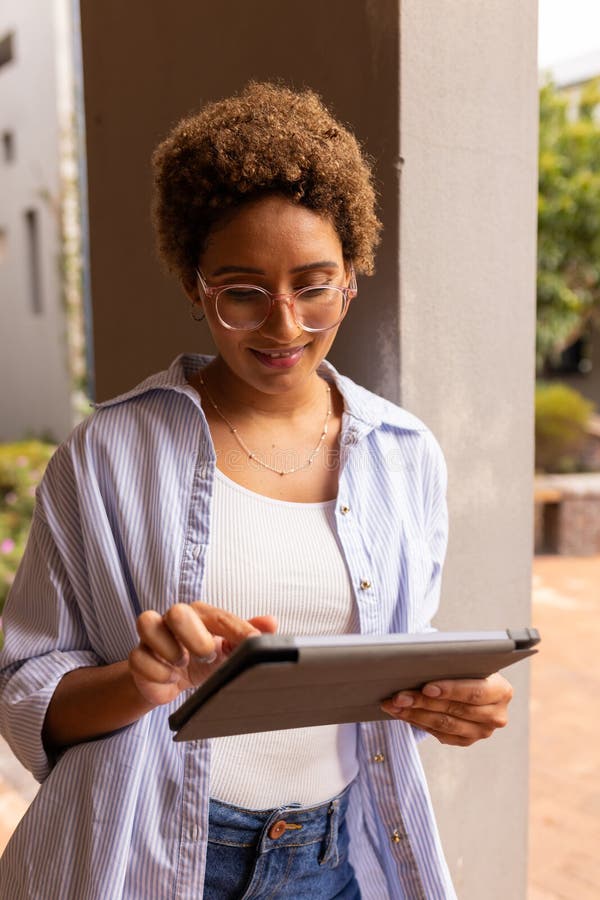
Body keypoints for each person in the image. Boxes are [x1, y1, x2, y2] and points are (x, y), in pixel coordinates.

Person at [0, 81, 513, 899]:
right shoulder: (107, 455)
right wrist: (142, 680)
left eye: (314, 284)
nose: (283, 326)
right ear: (196, 286)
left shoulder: (405, 457)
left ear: (352, 274)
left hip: (335, 859)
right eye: (243, 292)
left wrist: (453, 701)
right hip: (152, 864)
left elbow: (393, 656)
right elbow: (24, 691)